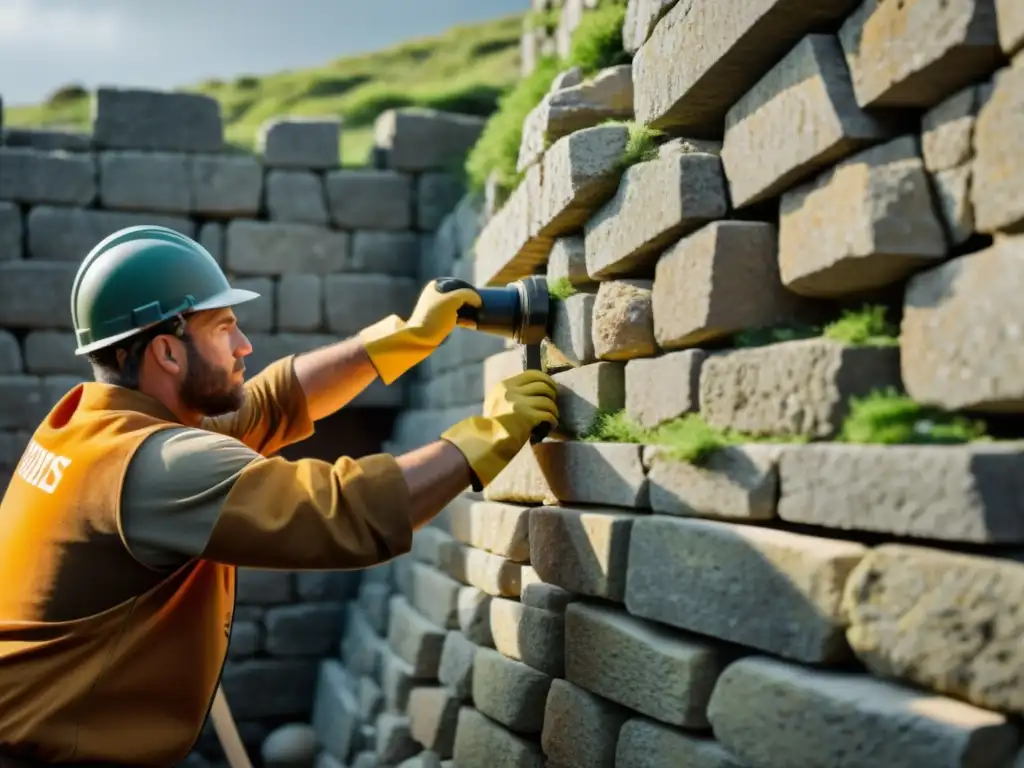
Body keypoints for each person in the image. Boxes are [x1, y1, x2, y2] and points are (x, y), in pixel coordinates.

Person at [0, 225, 559, 767]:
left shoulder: (87, 424)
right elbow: (342, 512)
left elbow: (268, 404)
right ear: (168, 354)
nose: (244, 344)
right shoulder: (153, 468)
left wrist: (402, 337)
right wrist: (487, 436)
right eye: (223, 328)